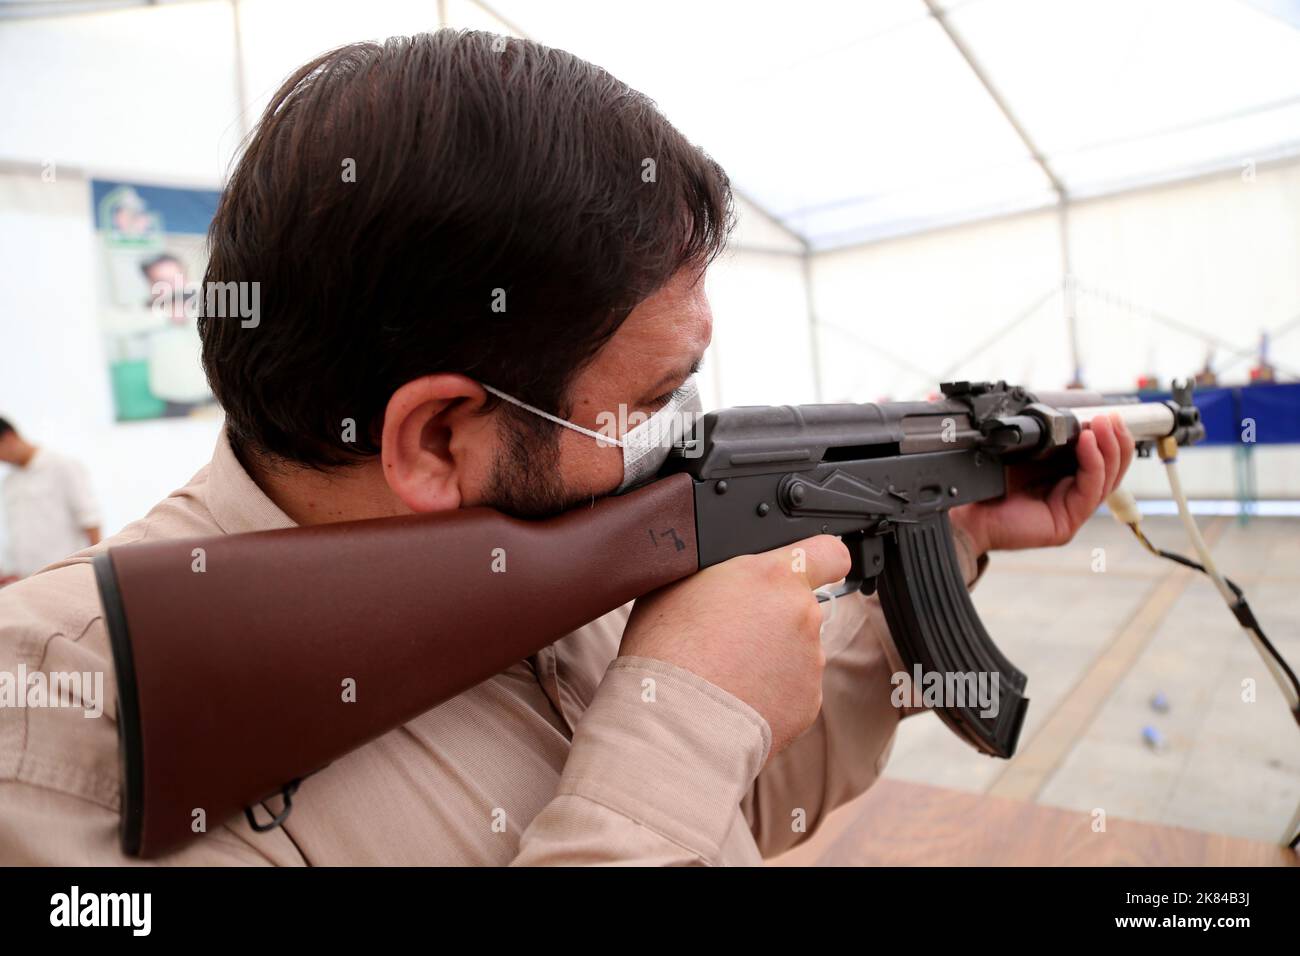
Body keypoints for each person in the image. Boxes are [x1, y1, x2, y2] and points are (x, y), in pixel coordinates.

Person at [0, 31, 1134, 865]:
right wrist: (677, 712)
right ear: (439, 437)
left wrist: (938, 544)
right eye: (651, 399)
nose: (672, 442)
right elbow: (671, 769)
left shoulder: (528, 548)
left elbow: (740, 811)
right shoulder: (50, 726)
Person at [0, 418, 101, 586]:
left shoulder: (62, 466)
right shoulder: (10, 480)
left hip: (65, 575)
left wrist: (96, 570)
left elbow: (89, 519)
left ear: (9, 438)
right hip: (25, 580)